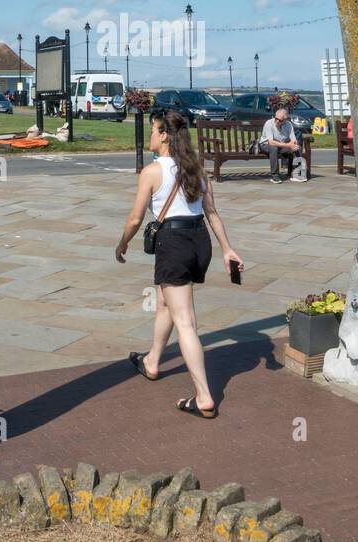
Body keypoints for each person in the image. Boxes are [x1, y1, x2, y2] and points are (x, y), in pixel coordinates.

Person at [115, 107, 243, 419]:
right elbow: (212, 212)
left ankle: (203, 397)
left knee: (185, 321)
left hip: (173, 245)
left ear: (164, 136)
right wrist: (227, 249)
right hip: (199, 241)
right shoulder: (196, 167)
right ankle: (153, 361)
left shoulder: (152, 172)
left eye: (153, 130)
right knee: (165, 302)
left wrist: (122, 243)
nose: (150, 136)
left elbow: (134, 218)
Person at [260, 107, 306, 182]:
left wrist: (294, 144)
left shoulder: (288, 124)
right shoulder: (269, 123)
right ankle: (275, 175)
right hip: (266, 145)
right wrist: (288, 145)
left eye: (280, 120)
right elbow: (271, 142)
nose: (277, 121)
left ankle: (298, 174)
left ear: (285, 120)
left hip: (281, 145)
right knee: (273, 147)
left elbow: (293, 139)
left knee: (298, 148)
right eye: (276, 118)